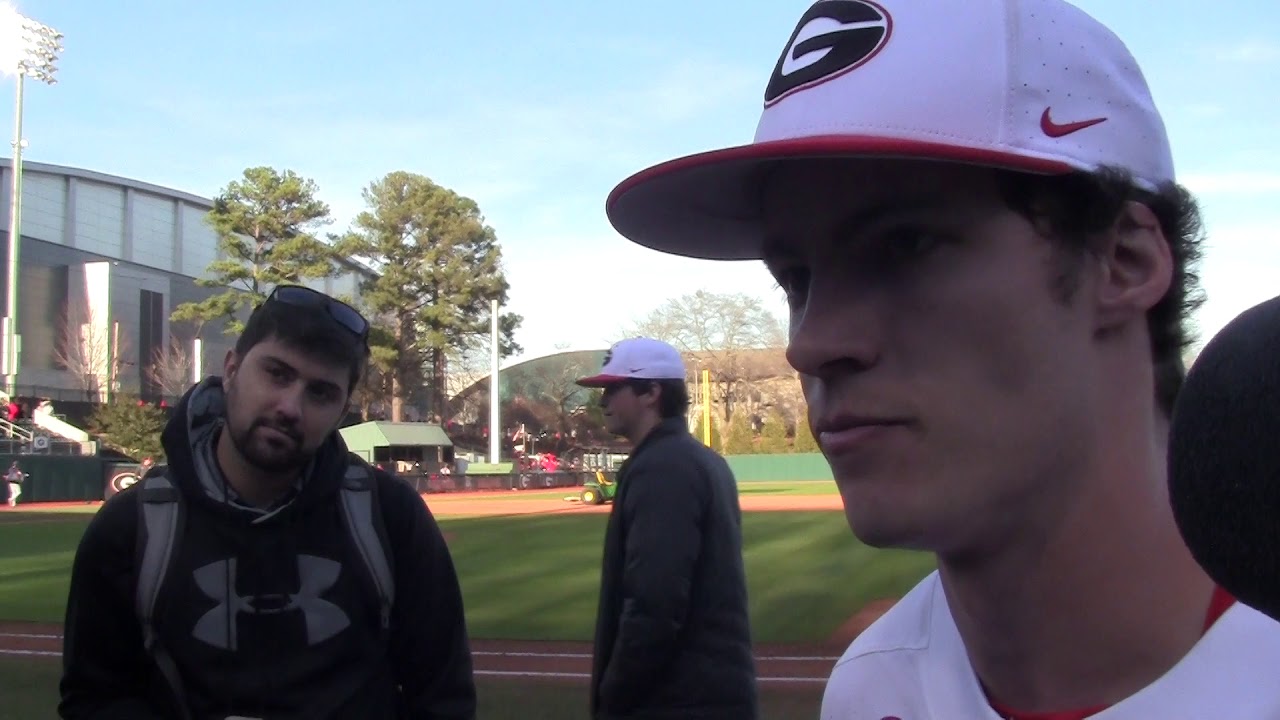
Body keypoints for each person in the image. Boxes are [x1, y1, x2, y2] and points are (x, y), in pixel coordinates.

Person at [600, 1, 1280, 717]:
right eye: (795, 279)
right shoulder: (869, 690)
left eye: (904, 246)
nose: (810, 344)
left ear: (1125, 259)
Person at [59, 285, 476, 719]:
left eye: (320, 393)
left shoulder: (389, 517)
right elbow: (95, 698)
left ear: (341, 412)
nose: (290, 407)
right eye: (277, 374)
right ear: (232, 370)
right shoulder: (132, 528)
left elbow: (443, 697)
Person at [576, 337, 758, 720]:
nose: (603, 401)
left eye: (613, 388)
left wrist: (614, 697)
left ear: (651, 393)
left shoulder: (663, 466)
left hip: (677, 702)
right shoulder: (700, 459)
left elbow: (654, 604)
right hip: (710, 698)